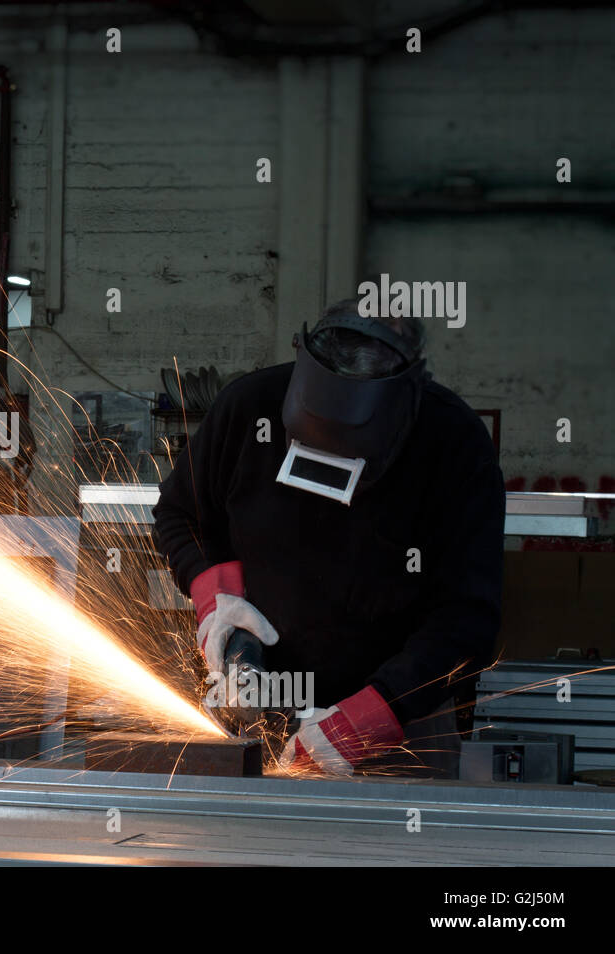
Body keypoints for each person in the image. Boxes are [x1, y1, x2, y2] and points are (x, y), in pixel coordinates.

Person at [152, 297, 505, 777]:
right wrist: (216, 598)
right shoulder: (249, 407)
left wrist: (370, 718)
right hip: (252, 710)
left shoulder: (453, 443)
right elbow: (181, 514)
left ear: (408, 392)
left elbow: (468, 618)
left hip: (398, 720)